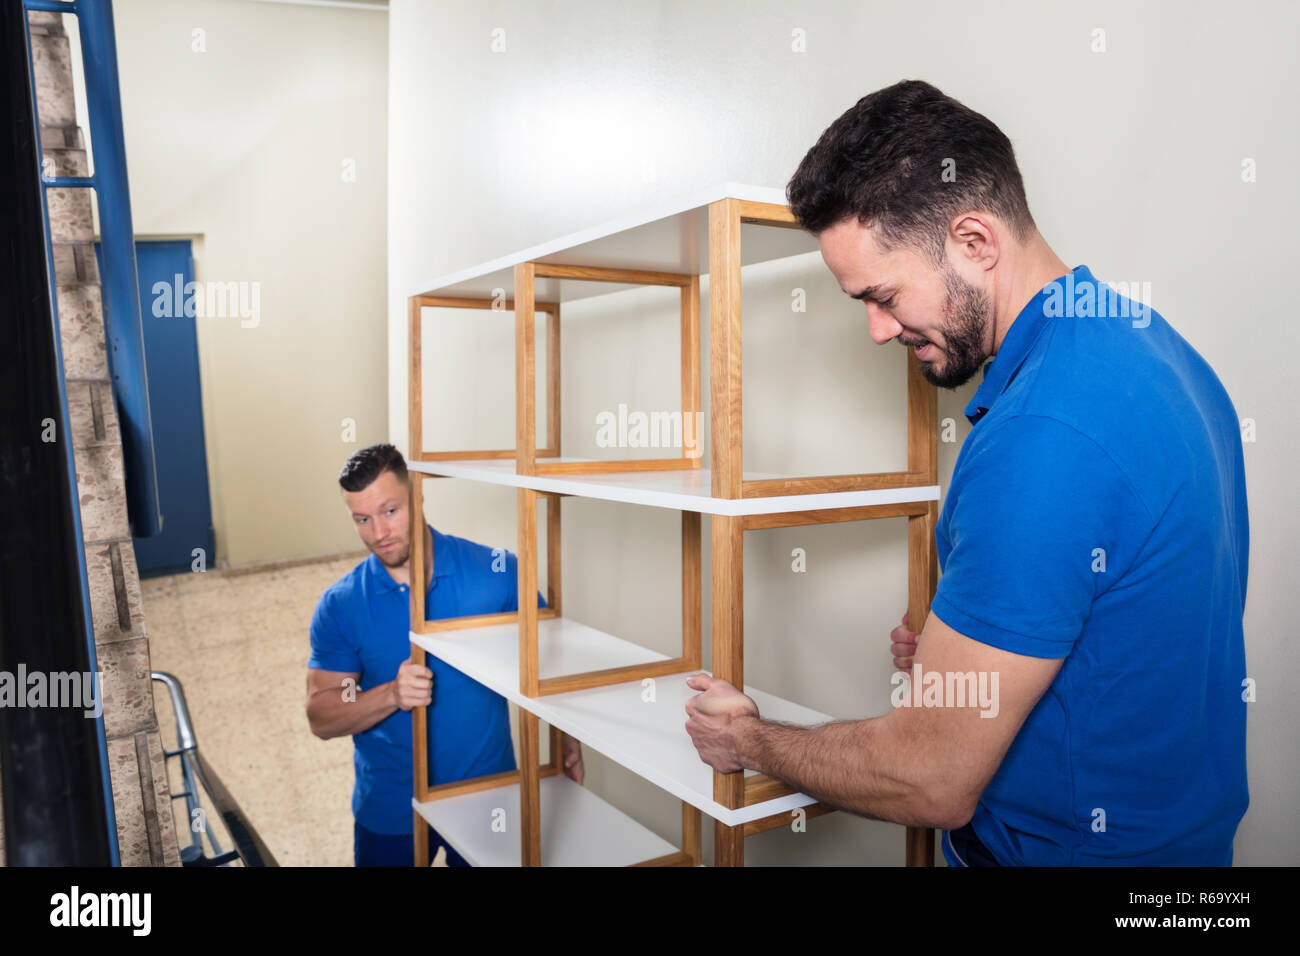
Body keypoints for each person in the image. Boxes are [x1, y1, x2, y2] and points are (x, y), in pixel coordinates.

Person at [685, 80, 1249, 866]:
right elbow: (1132, 622)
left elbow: (929, 782)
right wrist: (975, 655)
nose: (879, 331)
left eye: (882, 296)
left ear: (975, 241)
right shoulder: (1152, 348)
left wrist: (749, 739)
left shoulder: (1040, 439)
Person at [306, 443, 583, 866]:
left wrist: (568, 742)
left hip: (487, 797)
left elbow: (551, 656)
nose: (379, 532)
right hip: (391, 807)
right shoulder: (342, 605)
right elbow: (324, 711)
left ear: (418, 494)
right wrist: (389, 696)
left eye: (390, 511)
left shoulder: (496, 572)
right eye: (362, 519)